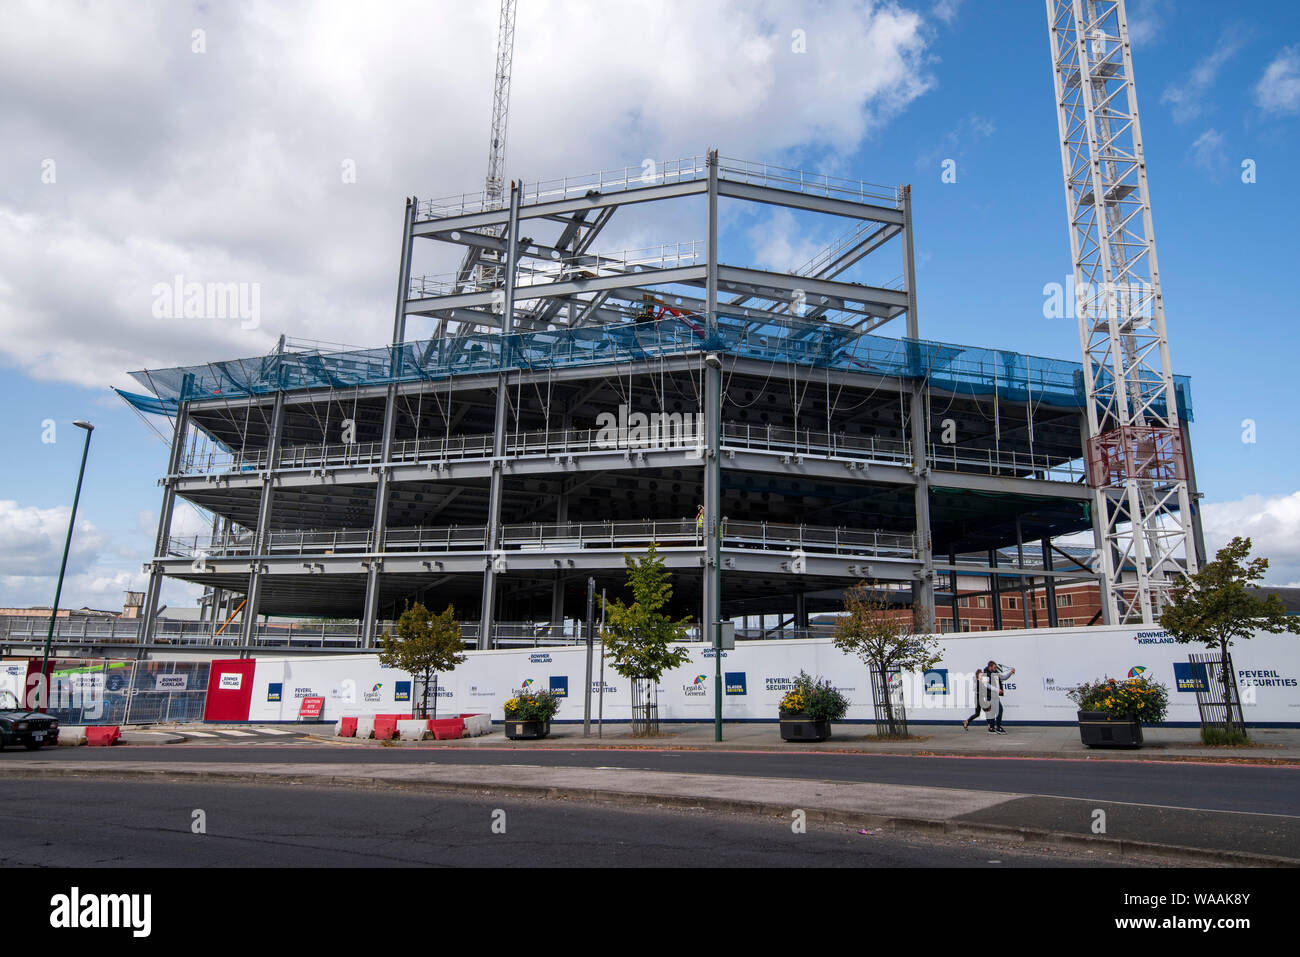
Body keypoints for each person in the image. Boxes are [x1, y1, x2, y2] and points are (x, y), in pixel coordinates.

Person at [983, 660, 1015, 734]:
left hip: (994, 695)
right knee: (999, 710)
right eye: (994, 667)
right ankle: (997, 727)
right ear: (990, 667)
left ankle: (991, 728)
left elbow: (1003, 677)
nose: (996, 668)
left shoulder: (995, 673)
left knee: (994, 711)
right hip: (989, 695)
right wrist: (997, 689)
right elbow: (986, 685)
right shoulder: (985, 674)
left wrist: (1010, 673)